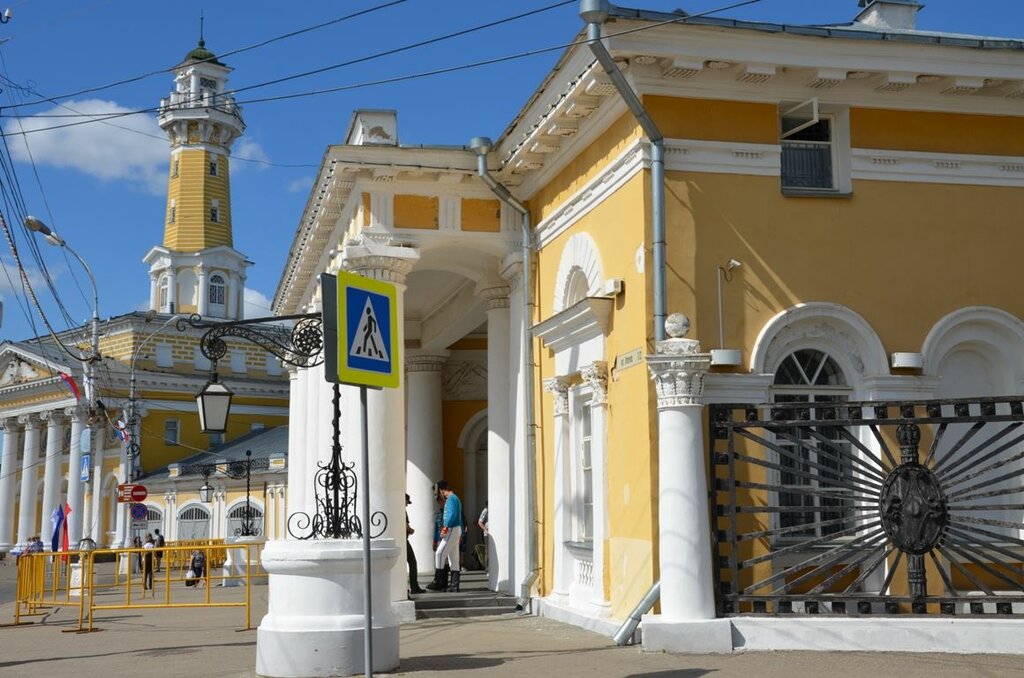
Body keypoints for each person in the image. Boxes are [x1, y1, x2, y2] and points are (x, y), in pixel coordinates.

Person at [426, 480, 463, 593]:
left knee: (439, 553)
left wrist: (445, 528)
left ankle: (439, 581)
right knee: (454, 559)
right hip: (456, 528)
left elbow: (451, 515)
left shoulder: (451, 499)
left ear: (442, 490)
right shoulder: (455, 498)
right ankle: (454, 585)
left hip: (452, 528)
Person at [405, 494, 425, 595]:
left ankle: (411, 586)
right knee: (413, 563)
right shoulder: (402, 511)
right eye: (406, 502)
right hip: (404, 541)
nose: (407, 505)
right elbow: (406, 526)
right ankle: (414, 587)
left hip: (402, 540)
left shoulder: (399, 510)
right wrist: (411, 530)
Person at [475, 501, 489, 570]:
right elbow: (480, 522)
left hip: (491, 534)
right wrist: (486, 529)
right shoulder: (486, 511)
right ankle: (487, 567)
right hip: (487, 535)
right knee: (488, 550)